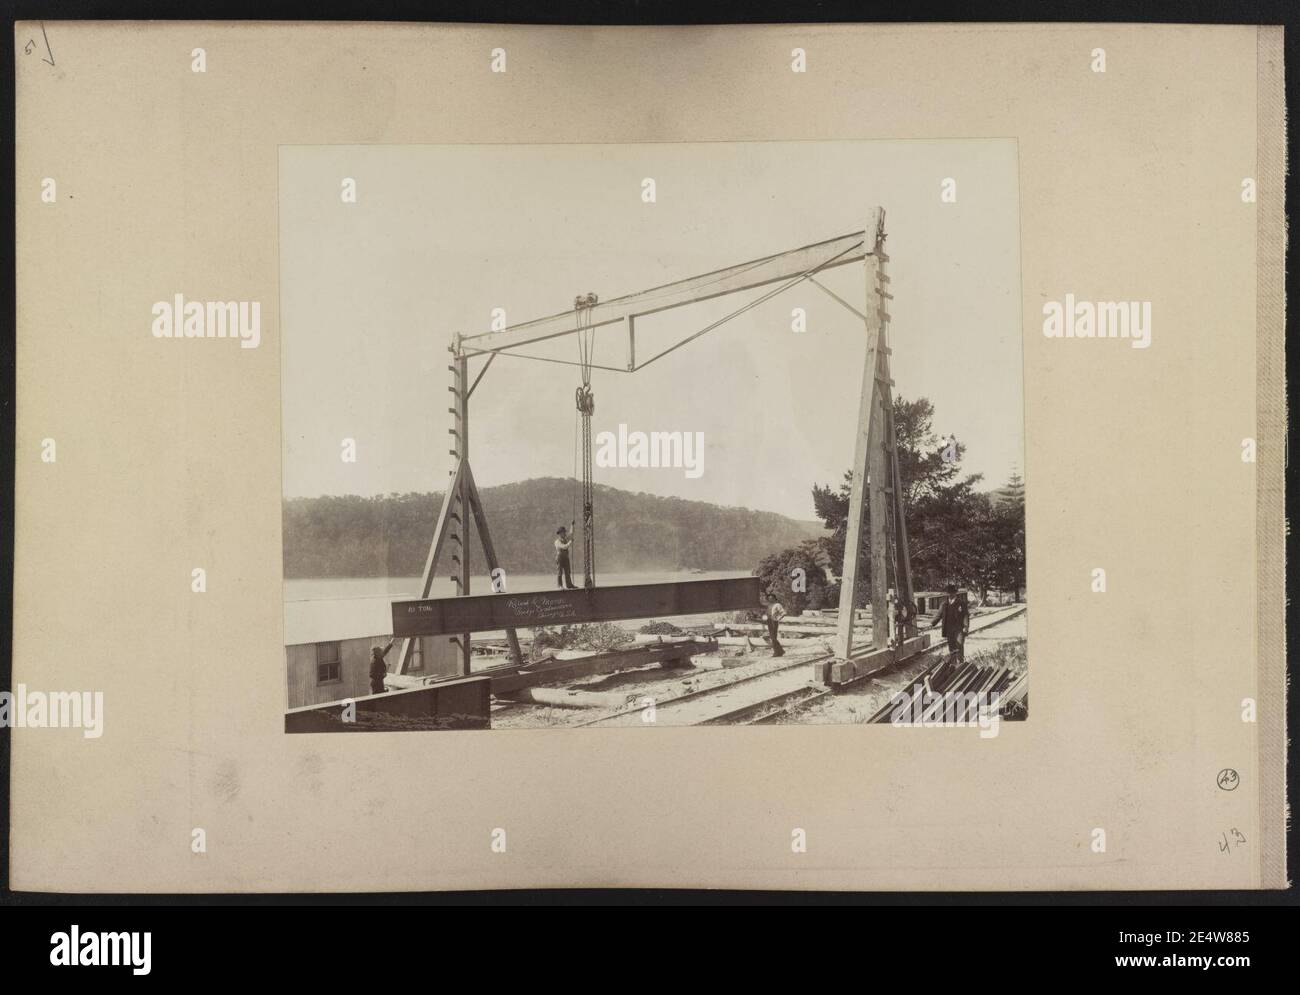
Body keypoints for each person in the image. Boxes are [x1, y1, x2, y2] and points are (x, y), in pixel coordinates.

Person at [929, 584, 969, 664]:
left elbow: (966, 615)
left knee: (959, 645)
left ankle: (961, 663)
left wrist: (966, 626)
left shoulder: (961, 603)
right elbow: (939, 615)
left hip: (959, 628)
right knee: (952, 647)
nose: (950, 594)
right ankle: (953, 663)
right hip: (949, 629)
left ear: (955, 593)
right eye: (949, 592)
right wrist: (932, 623)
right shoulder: (944, 604)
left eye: (952, 592)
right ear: (947, 593)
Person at [555, 523, 579, 590]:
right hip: (559, 558)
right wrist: (570, 542)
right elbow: (564, 547)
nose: (565, 533)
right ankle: (560, 585)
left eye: (565, 532)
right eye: (563, 532)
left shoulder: (565, 538)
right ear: (560, 533)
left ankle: (569, 585)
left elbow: (571, 533)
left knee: (567, 571)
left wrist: (572, 525)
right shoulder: (557, 542)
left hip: (565, 557)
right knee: (560, 572)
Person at [765, 588, 786, 657]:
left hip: (774, 621)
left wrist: (778, 619)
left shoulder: (777, 605)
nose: (770, 599)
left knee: (773, 637)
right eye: (769, 598)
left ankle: (777, 652)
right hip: (769, 621)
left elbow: (783, 613)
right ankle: (780, 651)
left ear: (775, 598)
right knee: (772, 637)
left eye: (772, 598)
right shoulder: (769, 605)